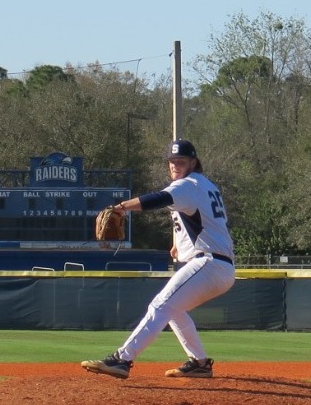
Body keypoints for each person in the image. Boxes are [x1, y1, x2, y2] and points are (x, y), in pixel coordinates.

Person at [81, 139, 235, 380]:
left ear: (193, 162)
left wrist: (121, 207)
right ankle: (199, 363)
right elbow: (200, 218)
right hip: (218, 265)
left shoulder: (187, 185)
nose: (175, 165)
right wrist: (177, 245)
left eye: (181, 161)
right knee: (174, 310)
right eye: (172, 161)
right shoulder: (205, 185)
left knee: (160, 305)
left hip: (209, 263)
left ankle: (122, 359)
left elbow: (158, 199)